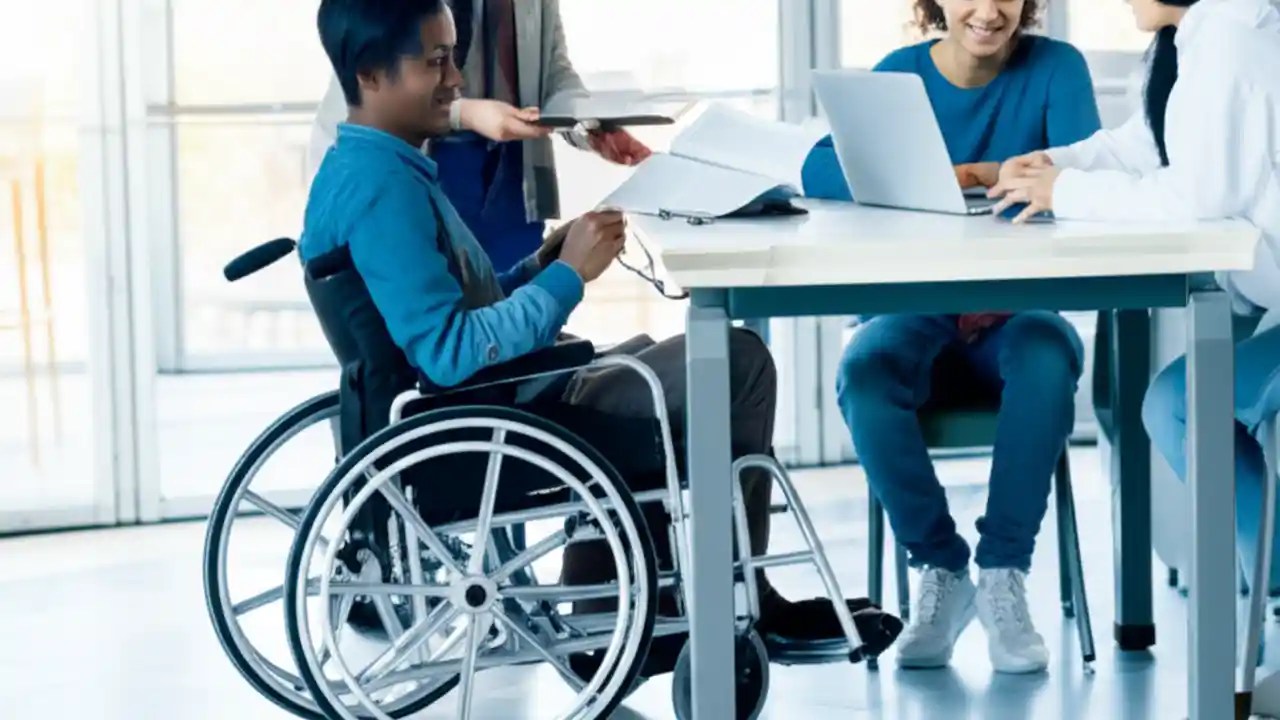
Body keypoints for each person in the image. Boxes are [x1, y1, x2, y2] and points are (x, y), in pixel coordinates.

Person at [302, 0, 890, 649]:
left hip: (486, 403)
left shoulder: (368, 168)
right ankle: (729, 601)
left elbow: (451, 315)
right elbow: (449, 350)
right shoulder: (387, 187)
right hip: (487, 422)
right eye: (436, 62)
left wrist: (540, 264)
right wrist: (569, 278)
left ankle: (625, 597)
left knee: (650, 356)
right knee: (737, 362)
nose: (456, 80)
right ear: (370, 74)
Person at [807, 0, 1102, 674]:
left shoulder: (1058, 70)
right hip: (919, 309)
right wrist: (984, 174)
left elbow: (1088, 175)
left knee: (1045, 356)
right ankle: (941, 568)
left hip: (1020, 312)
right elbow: (820, 171)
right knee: (866, 373)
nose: (989, 10)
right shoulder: (895, 78)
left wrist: (943, 180)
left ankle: (1002, 571)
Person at [991, 0, 1280, 592]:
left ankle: (1271, 588)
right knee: (1174, 401)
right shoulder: (1195, 37)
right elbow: (1143, 143)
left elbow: (1196, 201)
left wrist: (1065, 192)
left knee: (1179, 404)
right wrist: (1056, 164)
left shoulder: (1230, 41)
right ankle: (1271, 585)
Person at [308, 0, 652, 273]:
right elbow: (379, 88)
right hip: (429, 159)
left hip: (513, 167)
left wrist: (586, 124)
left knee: (517, 315)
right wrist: (468, 113)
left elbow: (554, 72)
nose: (453, 76)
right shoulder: (377, 184)